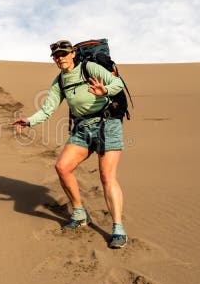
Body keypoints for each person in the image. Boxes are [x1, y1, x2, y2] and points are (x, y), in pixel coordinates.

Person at [12, 40, 128, 249]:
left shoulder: (88, 68)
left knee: (106, 176)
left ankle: (118, 228)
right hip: (82, 129)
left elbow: (117, 84)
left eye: (64, 53)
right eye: (56, 56)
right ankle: (79, 213)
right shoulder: (59, 81)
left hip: (107, 124)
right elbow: (48, 109)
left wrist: (105, 91)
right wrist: (29, 121)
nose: (60, 58)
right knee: (62, 167)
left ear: (73, 53)